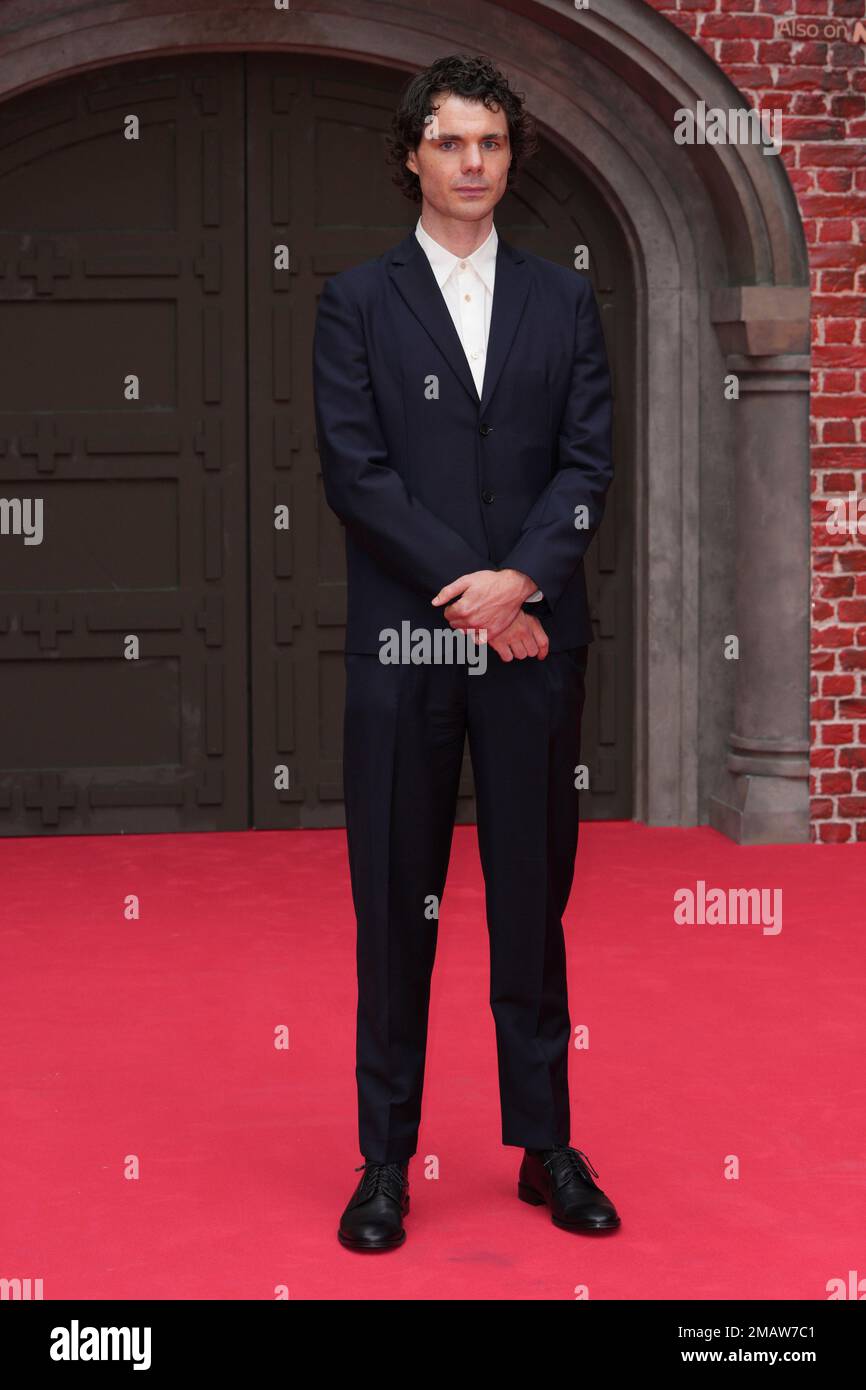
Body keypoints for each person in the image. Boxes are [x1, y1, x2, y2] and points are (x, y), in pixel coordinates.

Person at [312, 53, 620, 1250]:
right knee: (395, 900)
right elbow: (357, 475)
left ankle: (543, 1147)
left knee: (531, 901)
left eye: (490, 143)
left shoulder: (563, 299)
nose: (473, 163)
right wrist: (479, 597)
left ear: (509, 155)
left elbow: (584, 465)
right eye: (451, 142)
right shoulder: (355, 301)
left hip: (538, 644)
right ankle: (383, 1162)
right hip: (405, 649)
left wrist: (526, 582)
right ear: (412, 154)